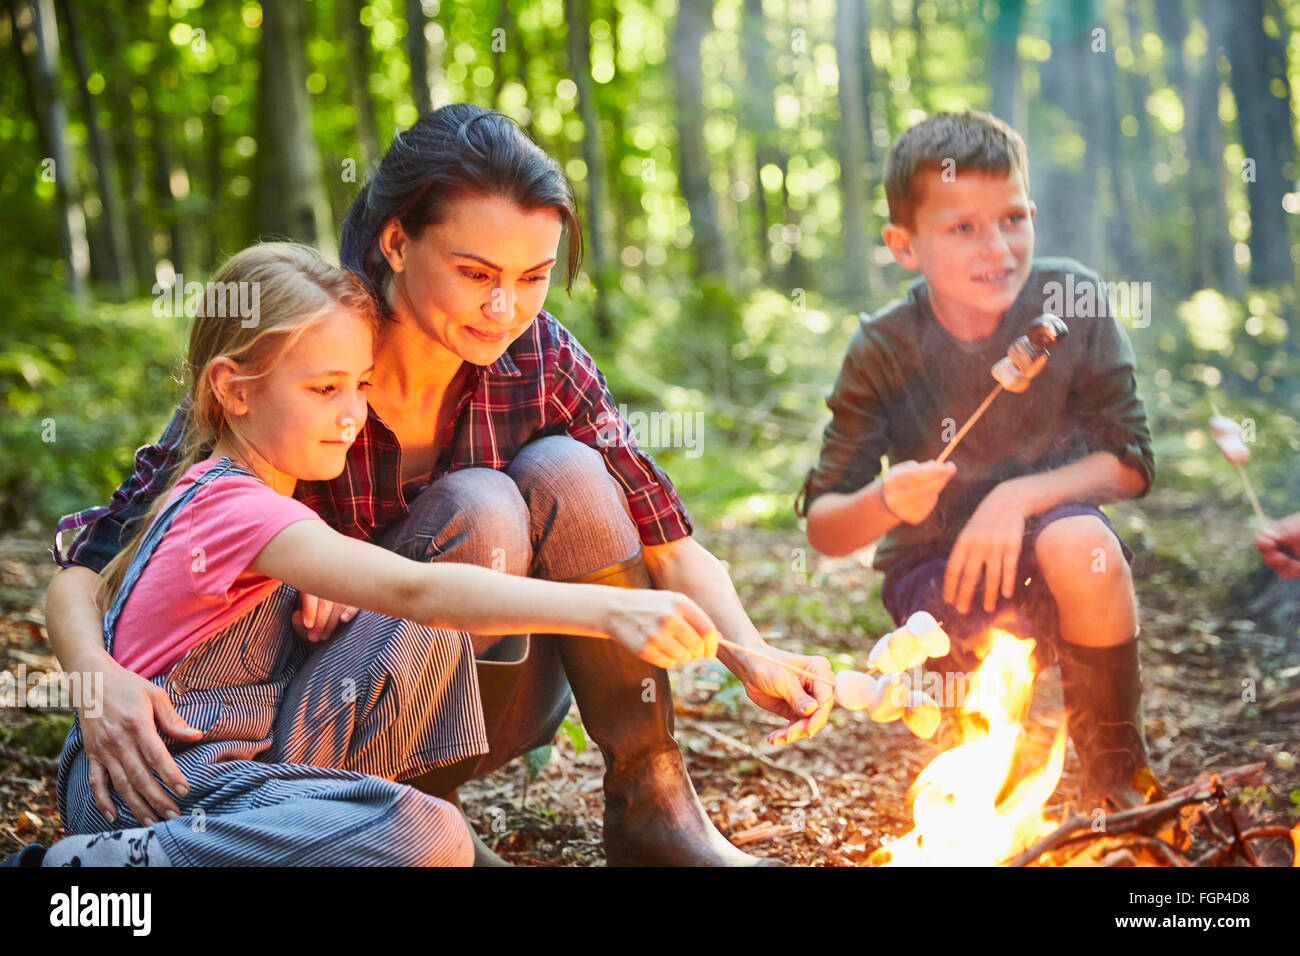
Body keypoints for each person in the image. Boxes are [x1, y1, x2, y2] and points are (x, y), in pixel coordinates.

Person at [43, 104, 833, 867]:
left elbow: (670, 542)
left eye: (533, 277)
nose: (504, 308)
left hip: (480, 689)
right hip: (260, 724)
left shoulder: (542, 358)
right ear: (395, 241)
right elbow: (96, 559)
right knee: (484, 506)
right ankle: (375, 829)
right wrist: (94, 681)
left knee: (569, 470)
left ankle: (650, 803)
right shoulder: (299, 355)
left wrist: (752, 654)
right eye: (474, 272)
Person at [19, 243, 719, 867]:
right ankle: (95, 869)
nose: (352, 414)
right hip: (156, 782)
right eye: (324, 390)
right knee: (425, 837)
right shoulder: (232, 504)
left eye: (360, 385)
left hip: (254, 762)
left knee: (427, 827)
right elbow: (418, 591)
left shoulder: (266, 497)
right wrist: (610, 608)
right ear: (232, 389)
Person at [798, 110, 1158, 810]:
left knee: (1084, 542)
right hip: (939, 577)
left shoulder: (1071, 299)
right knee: (963, 688)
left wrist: (1016, 497)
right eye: (962, 227)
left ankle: (1120, 779)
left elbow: (1132, 460)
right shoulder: (883, 347)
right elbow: (825, 525)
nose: (997, 248)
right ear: (904, 245)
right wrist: (883, 502)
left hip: (1059, 547)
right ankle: (978, 796)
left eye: (1014, 218)